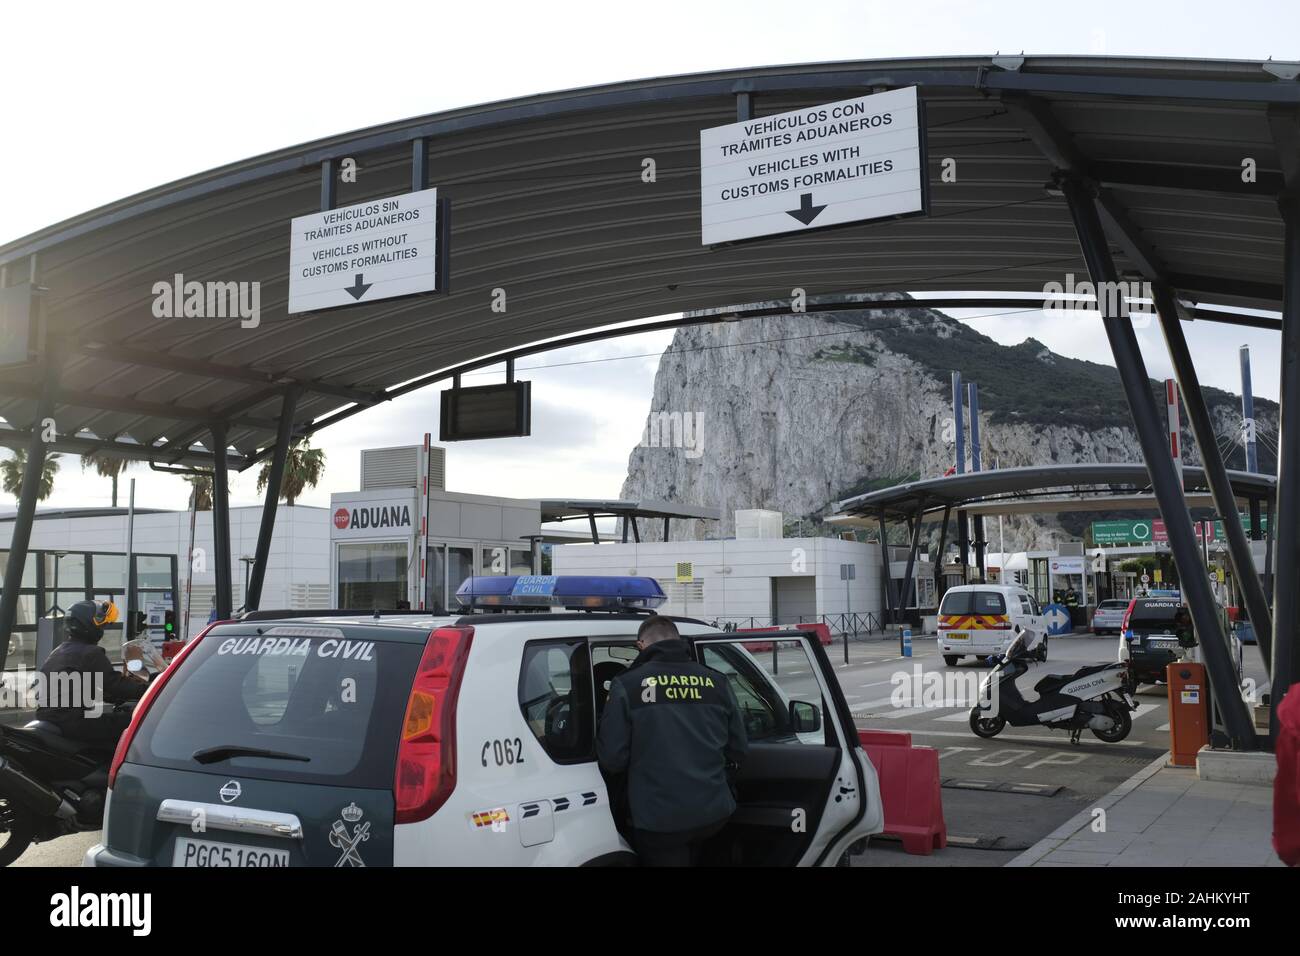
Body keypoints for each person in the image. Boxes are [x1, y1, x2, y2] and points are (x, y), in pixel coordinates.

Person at [596, 615, 747, 866]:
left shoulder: (628, 685)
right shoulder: (716, 681)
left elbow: (613, 759)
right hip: (714, 813)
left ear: (641, 646)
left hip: (659, 820)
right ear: (678, 640)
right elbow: (739, 750)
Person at [36, 600, 147, 748]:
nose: (102, 629)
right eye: (101, 625)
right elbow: (115, 684)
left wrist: (111, 696)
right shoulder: (91, 653)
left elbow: (91, 685)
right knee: (132, 721)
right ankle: (119, 769)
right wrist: (151, 691)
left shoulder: (59, 650)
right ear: (89, 624)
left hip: (50, 717)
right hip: (72, 722)